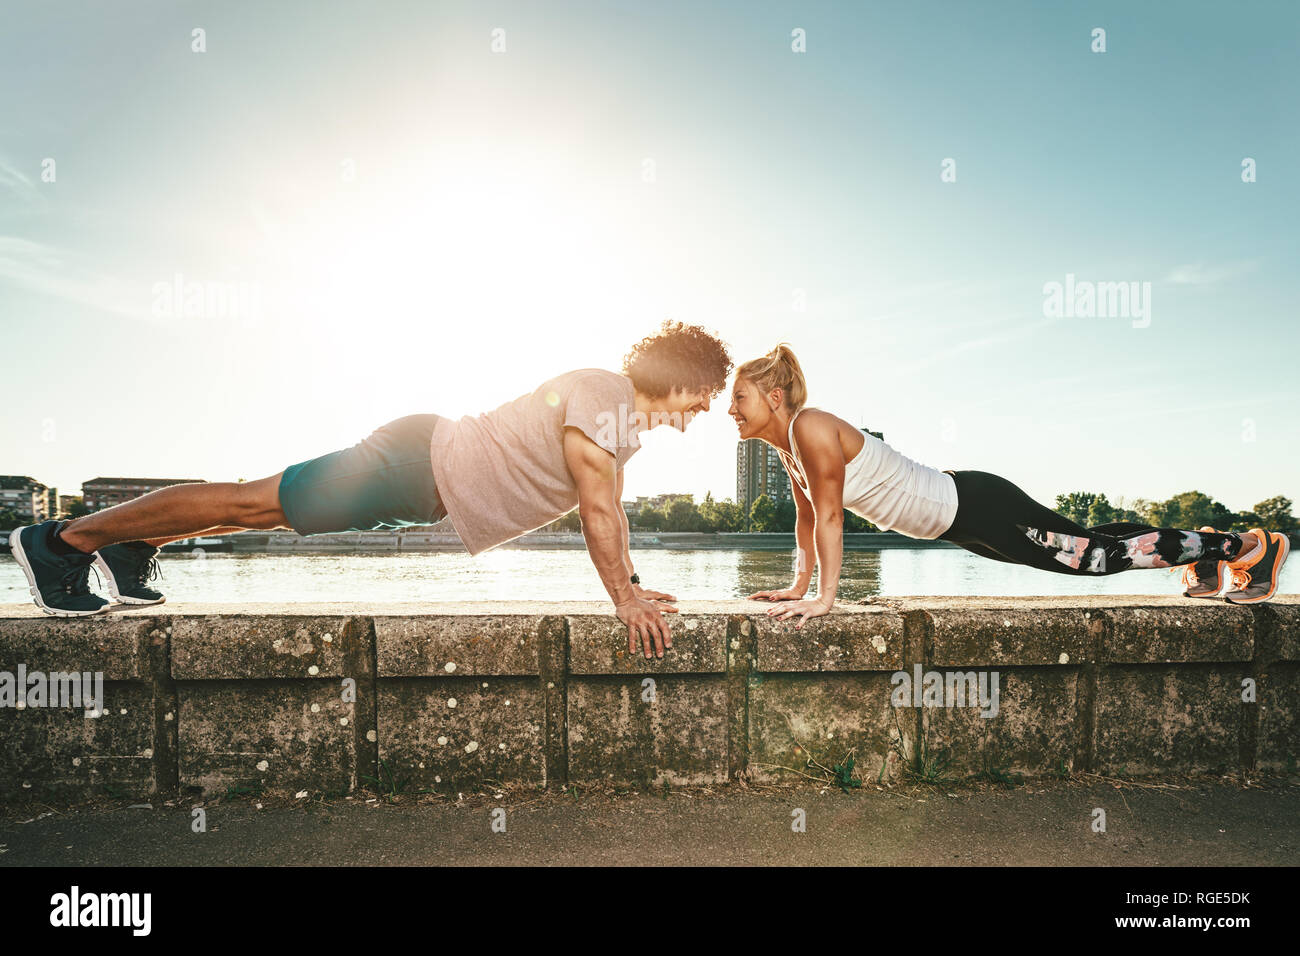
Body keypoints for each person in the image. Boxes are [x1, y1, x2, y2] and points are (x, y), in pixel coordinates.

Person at [10, 321, 733, 658]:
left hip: (423, 481)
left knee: (275, 511)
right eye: (703, 395)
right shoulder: (605, 393)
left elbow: (608, 512)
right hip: (417, 463)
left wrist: (633, 581)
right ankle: (60, 542)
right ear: (680, 375)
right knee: (253, 502)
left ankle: (134, 547)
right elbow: (599, 509)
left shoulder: (617, 420)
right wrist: (624, 598)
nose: (701, 411)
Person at [731, 344, 1290, 627]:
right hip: (965, 526)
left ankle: (1248, 548)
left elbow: (831, 517)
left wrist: (826, 599)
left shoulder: (810, 426)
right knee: (1093, 541)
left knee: (1097, 558)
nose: (731, 410)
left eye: (740, 398)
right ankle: (1209, 546)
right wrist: (798, 586)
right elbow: (807, 520)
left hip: (976, 504)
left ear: (773, 398)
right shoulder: (791, 450)